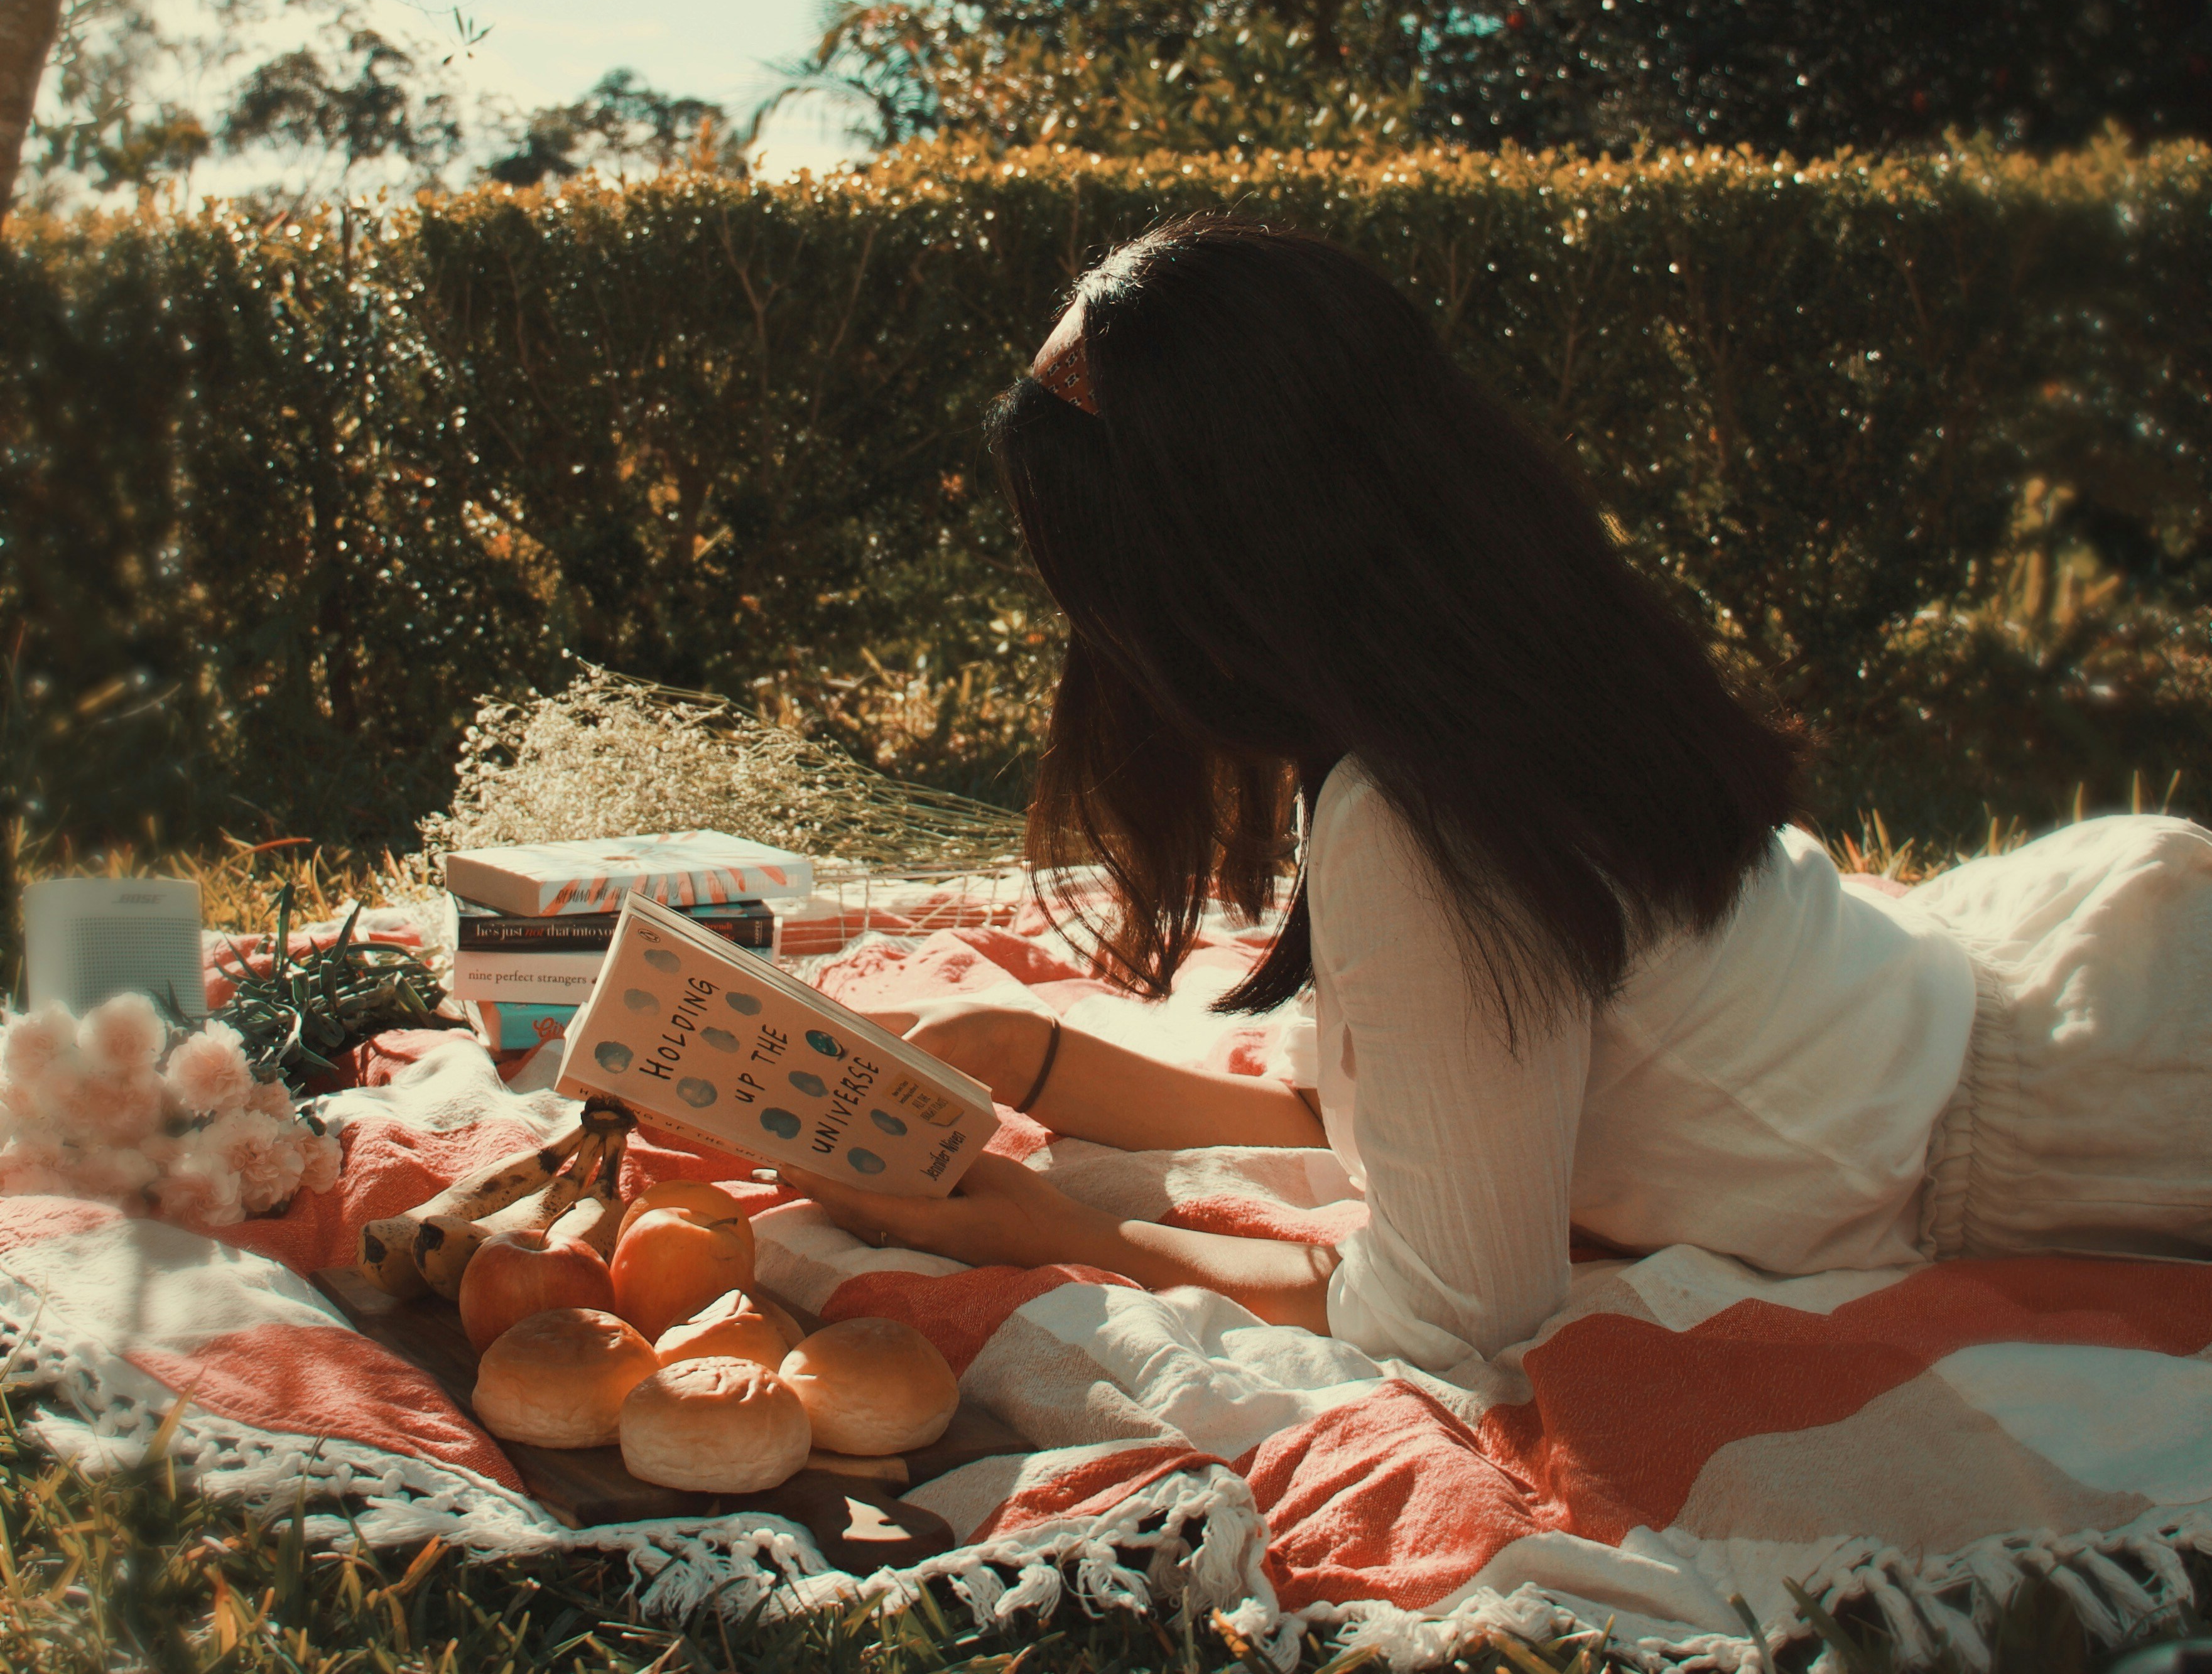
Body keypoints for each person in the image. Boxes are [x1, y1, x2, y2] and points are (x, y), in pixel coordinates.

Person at [781, 216, 2212, 1383]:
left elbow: (1457, 1312)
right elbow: (1441, 1089)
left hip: (2099, 1116)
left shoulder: (1412, 824)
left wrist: (1051, 1232)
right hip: (2057, 995)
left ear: (1180, 588)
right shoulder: (1497, 664)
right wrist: (1037, 1056)